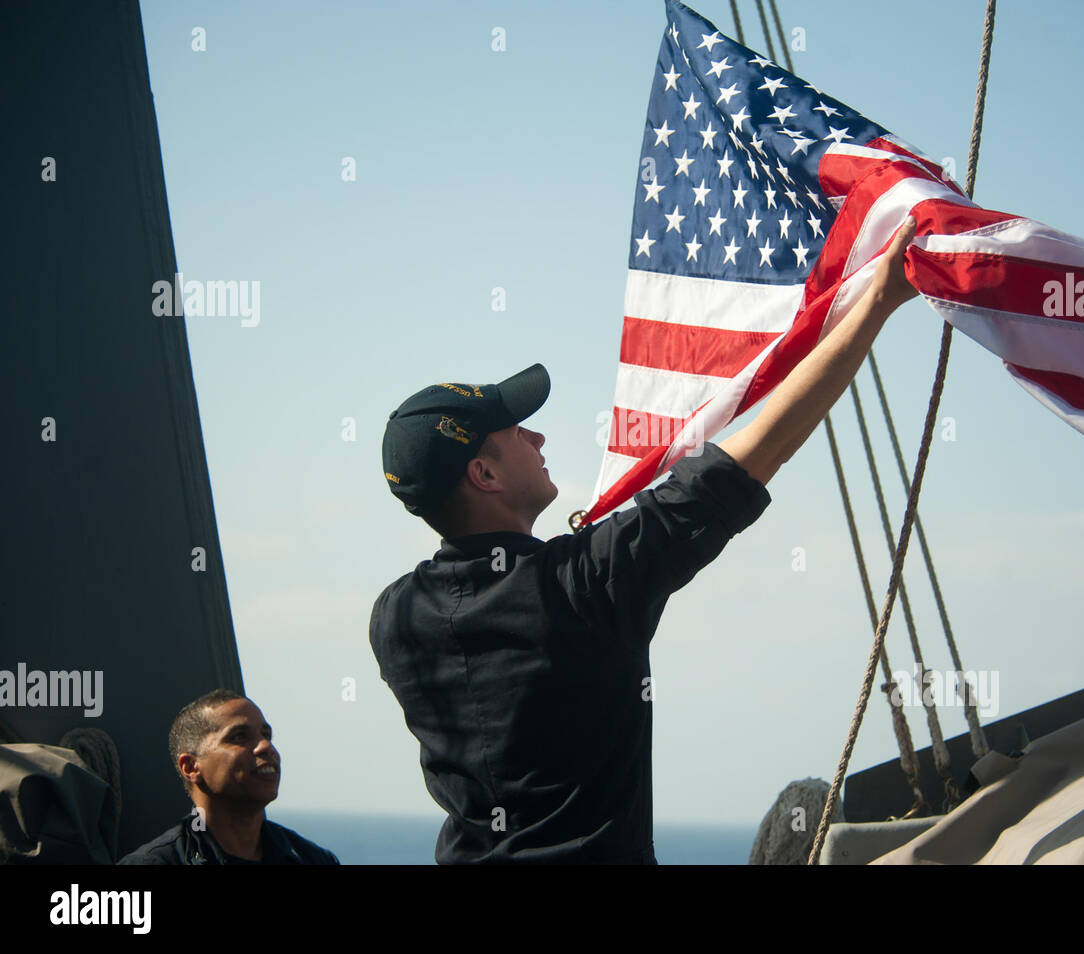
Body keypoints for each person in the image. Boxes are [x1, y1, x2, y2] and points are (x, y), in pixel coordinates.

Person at [371, 218, 919, 864]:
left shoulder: (394, 619)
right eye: (519, 432)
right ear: (483, 474)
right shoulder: (588, 583)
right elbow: (751, 455)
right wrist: (878, 302)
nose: (539, 439)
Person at [117, 690, 338, 865]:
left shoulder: (313, 860)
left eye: (266, 735)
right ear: (191, 766)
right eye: (240, 736)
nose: (266, 746)